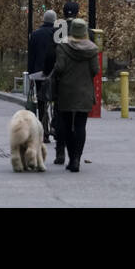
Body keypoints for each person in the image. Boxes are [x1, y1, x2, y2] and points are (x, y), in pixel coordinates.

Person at [50, 17, 99, 172]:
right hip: (84, 92)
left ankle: (71, 158)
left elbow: (59, 68)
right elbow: (95, 70)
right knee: (80, 125)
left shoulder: (63, 47)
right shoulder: (92, 49)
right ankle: (77, 158)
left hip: (66, 91)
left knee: (66, 126)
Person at [28, 9, 59, 143]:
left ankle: (43, 132)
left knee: (42, 102)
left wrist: (30, 75)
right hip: (55, 73)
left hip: (39, 74)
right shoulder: (58, 34)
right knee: (57, 101)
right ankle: (55, 126)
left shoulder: (35, 34)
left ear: (44, 20)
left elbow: (31, 57)